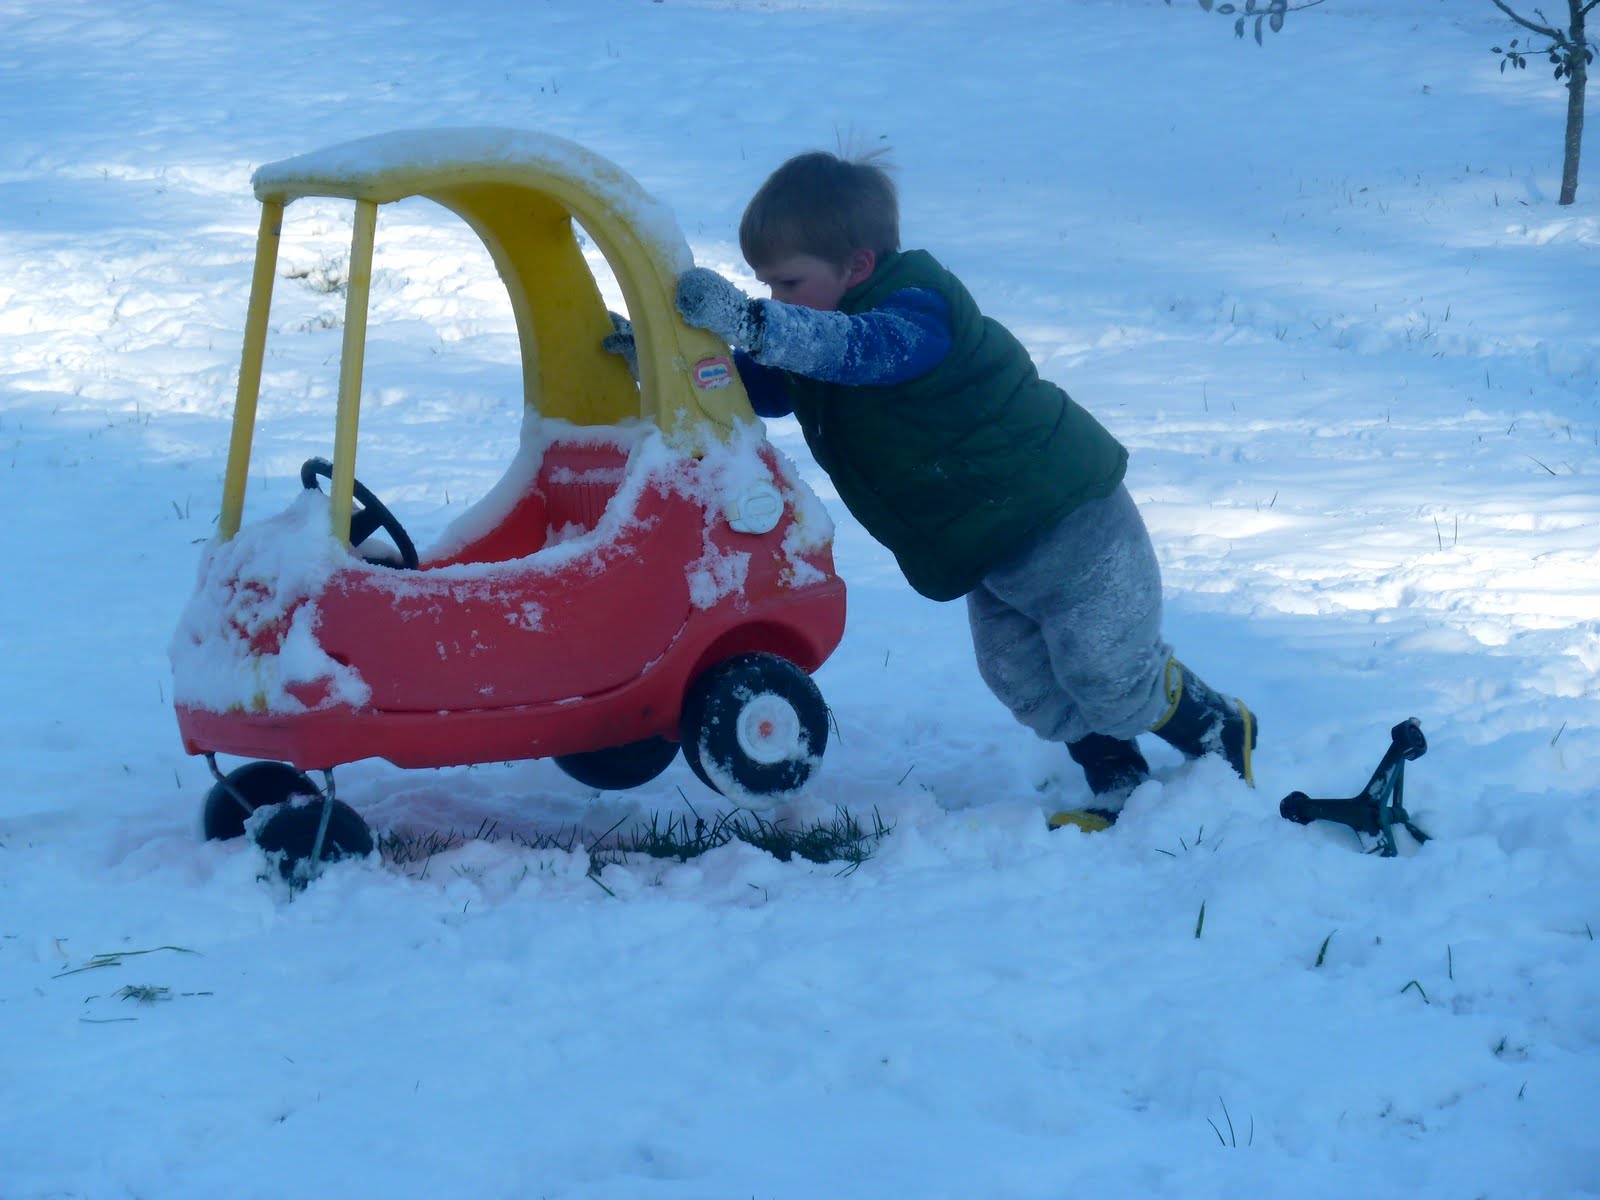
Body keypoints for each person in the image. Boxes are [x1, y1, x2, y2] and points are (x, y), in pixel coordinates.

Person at [666, 149, 1256, 831]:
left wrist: (756, 326)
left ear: (858, 265)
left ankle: (1219, 729)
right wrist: (672, 360)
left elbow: (863, 350)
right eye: (767, 290)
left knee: (1111, 677)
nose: (777, 301)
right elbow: (756, 385)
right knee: (1024, 682)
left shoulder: (916, 313)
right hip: (989, 551)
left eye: (789, 283)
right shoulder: (816, 344)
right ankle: (1117, 779)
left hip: (1072, 522)